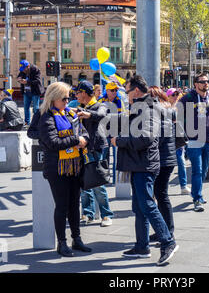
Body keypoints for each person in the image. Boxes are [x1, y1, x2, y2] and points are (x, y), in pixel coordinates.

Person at [111, 75, 179, 266]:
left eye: (127, 92)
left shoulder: (148, 109)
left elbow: (146, 138)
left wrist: (120, 141)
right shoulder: (142, 106)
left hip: (144, 165)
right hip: (139, 163)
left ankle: (168, 241)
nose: (126, 96)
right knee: (139, 207)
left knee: (147, 204)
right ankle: (142, 246)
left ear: (137, 91)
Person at [38, 82, 91, 257]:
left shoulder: (69, 113)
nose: (68, 101)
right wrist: (76, 140)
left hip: (74, 165)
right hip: (57, 168)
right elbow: (53, 143)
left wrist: (82, 138)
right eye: (64, 98)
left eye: (69, 97)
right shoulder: (46, 117)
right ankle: (62, 243)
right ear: (53, 98)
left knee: (75, 205)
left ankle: (77, 239)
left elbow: (85, 133)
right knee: (61, 206)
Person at [178, 73, 209, 212]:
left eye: (207, 81)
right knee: (197, 170)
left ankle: (196, 193)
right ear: (196, 84)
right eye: (202, 81)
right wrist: (183, 137)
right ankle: (197, 198)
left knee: (204, 170)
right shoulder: (187, 98)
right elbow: (178, 117)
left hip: (208, 141)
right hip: (193, 141)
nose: (206, 83)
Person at [74, 81, 114, 227]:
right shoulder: (80, 107)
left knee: (98, 183)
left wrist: (87, 114)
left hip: (95, 148)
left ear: (83, 92)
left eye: (77, 93)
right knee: (84, 183)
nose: (76, 95)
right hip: (81, 149)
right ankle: (87, 213)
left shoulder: (100, 105)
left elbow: (101, 115)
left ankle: (106, 215)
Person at [148, 86, 177, 242]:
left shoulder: (162, 113)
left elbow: (158, 138)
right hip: (164, 158)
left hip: (163, 159)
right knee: (159, 194)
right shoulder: (166, 112)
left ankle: (168, 232)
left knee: (161, 195)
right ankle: (163, 230)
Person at [167, 88, 191, 195]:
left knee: (181, 162)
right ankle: (161, 186)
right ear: (168, 96)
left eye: (177, 94)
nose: (176, 96)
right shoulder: (164, 108)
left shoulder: (179, 107)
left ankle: (183, 186)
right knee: (166, 165)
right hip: (168, 140)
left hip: (179, 140)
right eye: (173, 95)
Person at [17, 60, 45, 126]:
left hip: (35, 91)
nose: (23, 71)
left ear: (28, 66)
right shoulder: (22, 70)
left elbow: (37, 81)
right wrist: (19, 79)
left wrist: (27, 82)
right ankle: (27, 122)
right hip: (26, 91)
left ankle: (36, 122)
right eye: (22, 69)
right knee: (26, 107)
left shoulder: (35, 69)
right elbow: (19, 76)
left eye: (24, 69)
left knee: (36, 108)